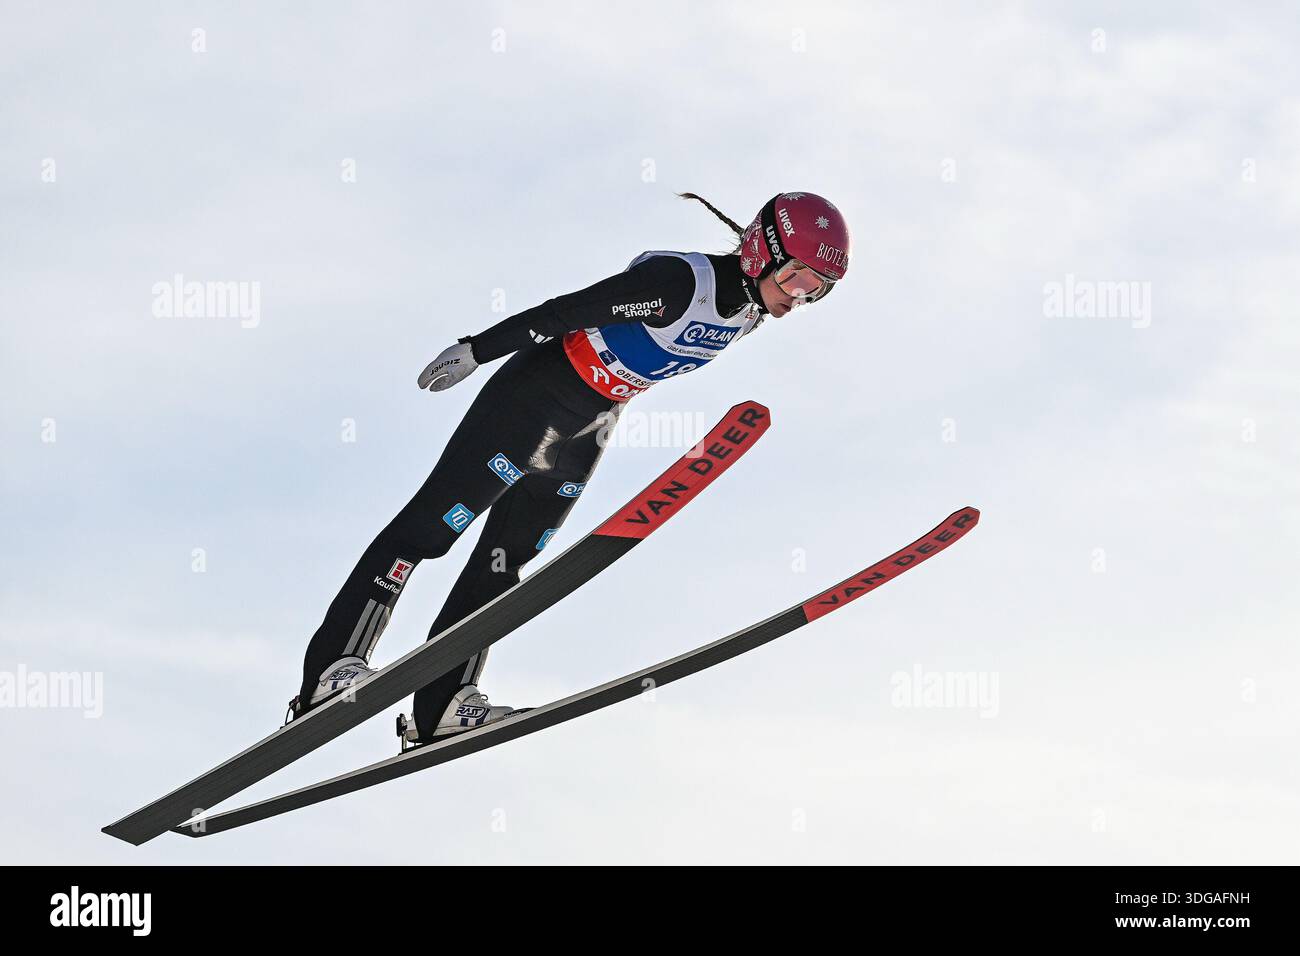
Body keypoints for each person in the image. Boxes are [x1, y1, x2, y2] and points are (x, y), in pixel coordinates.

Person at [291, 191, 852, 744]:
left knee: (506, 562)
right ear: (762, 251)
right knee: (428, 532)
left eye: (817, 292)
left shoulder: (749, 315)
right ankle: (330, 671)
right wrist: (478, 349)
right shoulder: (680, 286)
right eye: (798, 279)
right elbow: (567, 311)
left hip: (589, 428)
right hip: (534, 401)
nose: (800, 298)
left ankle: (443, 703)